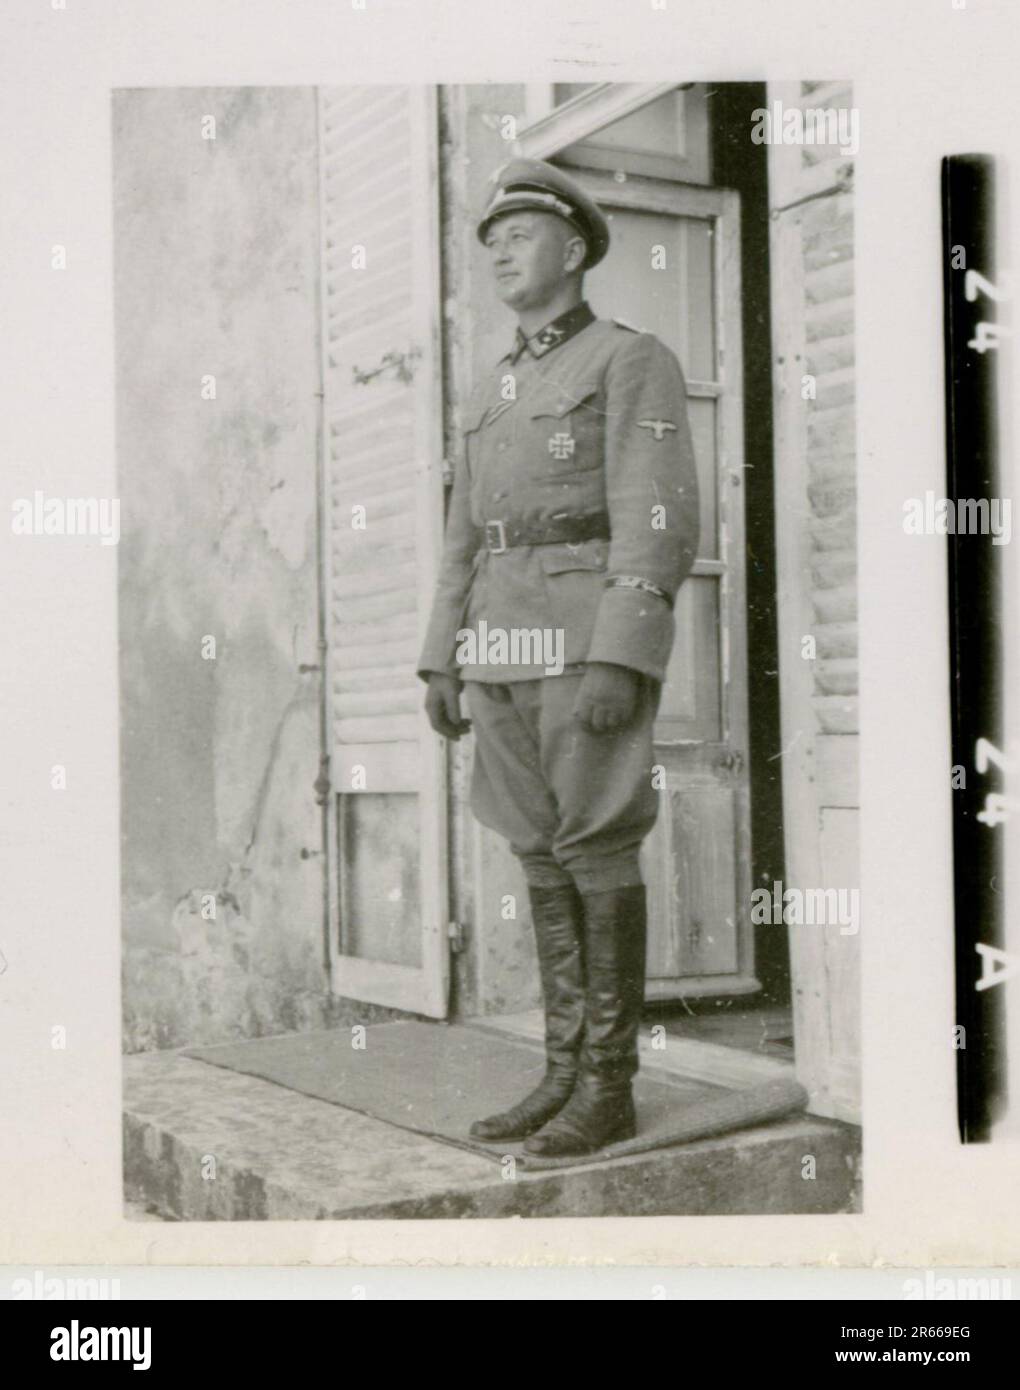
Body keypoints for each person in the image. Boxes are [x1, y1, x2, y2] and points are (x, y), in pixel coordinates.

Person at [417, 157, 700, 1157]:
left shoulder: (629, 359)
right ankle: (563, 1070)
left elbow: (657, 516)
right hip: (498, 643)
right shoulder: (492, 386)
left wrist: (625, 652)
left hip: (584, 640)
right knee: (536, 849)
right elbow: (465, 532)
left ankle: (609, 1086)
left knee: (597, 842)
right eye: (491, 239)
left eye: (521, 235)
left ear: (573, 250)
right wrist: (443, 655)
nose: (500, 251)